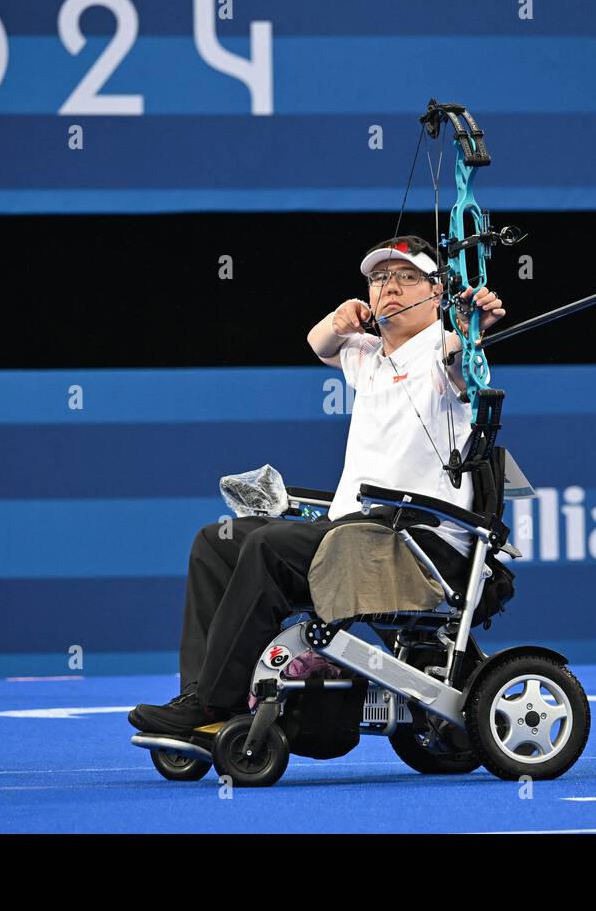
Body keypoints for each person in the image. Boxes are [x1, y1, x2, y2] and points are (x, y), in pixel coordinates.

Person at [128, 234, 506, 735]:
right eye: (379, 279)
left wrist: (472, 324)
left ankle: (214, 706)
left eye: (407, 277)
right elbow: (318, 342)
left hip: (412, 544)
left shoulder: (442, 351)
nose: (390, 286)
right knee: (215, 542)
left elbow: (463, 363)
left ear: (437, 291)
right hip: (354, 533)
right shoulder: (370, 356)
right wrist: (339, 317)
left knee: (267, 546)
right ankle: (203, 697)